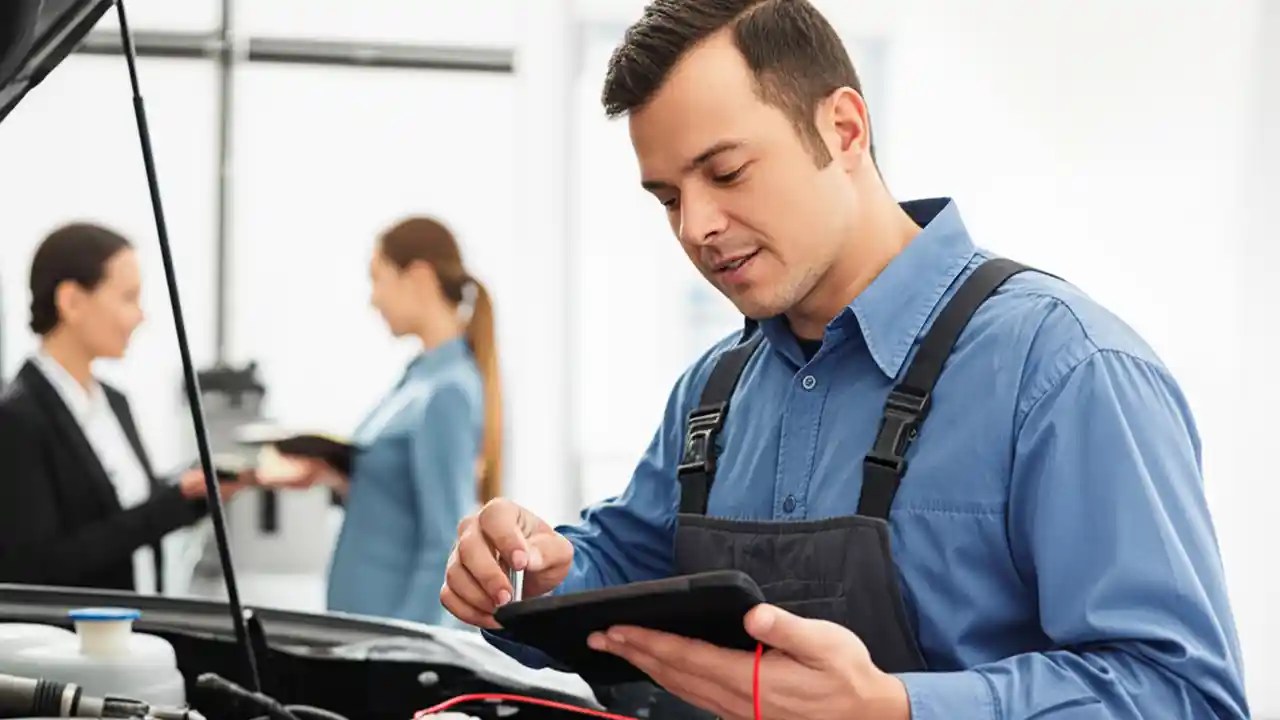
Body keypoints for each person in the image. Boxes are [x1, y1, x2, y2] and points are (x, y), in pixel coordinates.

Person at [440, 1, 1249, 718]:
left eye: (726, 172)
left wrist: (900, 710)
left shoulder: (1067, 369)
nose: (696, 226)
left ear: (844, 129)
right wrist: (535, 573)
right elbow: (622, 569)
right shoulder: (714, 390)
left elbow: (1182, 695)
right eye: (668, 199)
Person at [0, 223, 243, 593]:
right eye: (128, 298)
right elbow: (33, 566)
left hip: (138, 630)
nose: (140, 316)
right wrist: (167, 510)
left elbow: (120, 507)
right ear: (72, 302)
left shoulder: (114, 401)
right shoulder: (17, 418)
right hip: (74, 642)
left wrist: (190, 494)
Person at [294, 217, 502, 626]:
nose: (374, 298)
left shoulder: (447, 392)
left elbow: (446, 538)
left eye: (378, 278)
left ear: (419, 277)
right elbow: (396, 499)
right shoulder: (416, 378)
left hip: (394, 637)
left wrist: (409, 647)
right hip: (364, 629)